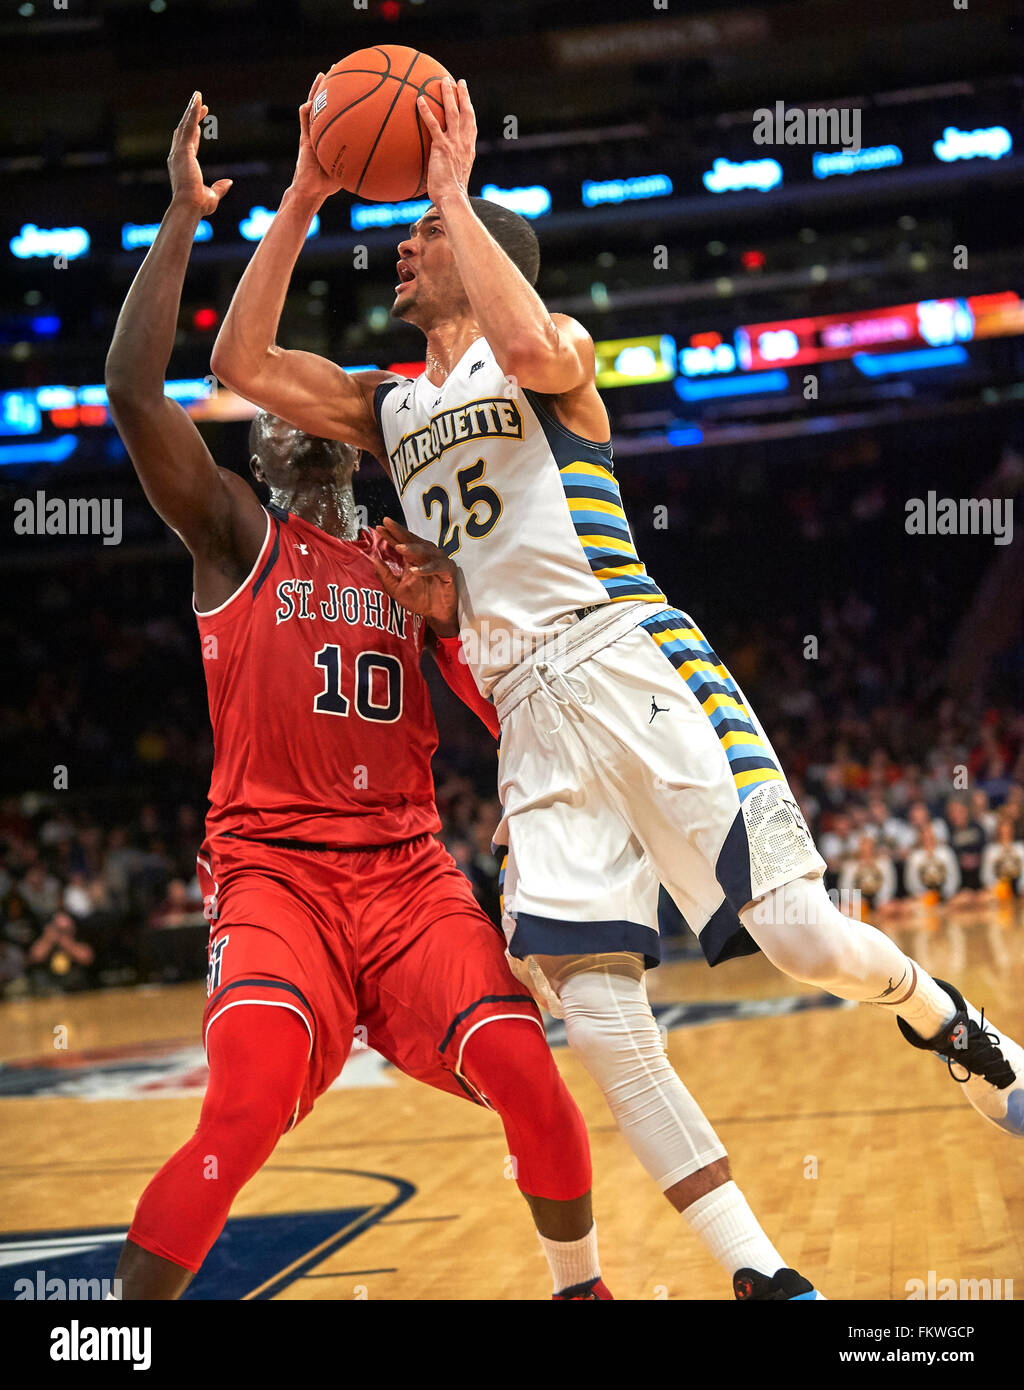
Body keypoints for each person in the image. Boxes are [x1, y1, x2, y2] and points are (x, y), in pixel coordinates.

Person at [211, 74, 1023, 1297]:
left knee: (799, 937)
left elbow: (531, 340)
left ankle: (945, 1017)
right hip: (528, 718)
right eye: (409, 230)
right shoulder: (389, 405)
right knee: (596, 1013)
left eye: (421, 235)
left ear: (482, 255)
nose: (401, 247)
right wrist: (300, 194)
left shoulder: (556, 358)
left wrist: (452, 189)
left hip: (626, 655)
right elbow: (237, 361)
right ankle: (763, 1275)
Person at [102, 92, 610, 1302]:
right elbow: (134, 389)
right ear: (269, 445)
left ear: (366, 444)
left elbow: (503, 705)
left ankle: (583, 1292)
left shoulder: (415, 556)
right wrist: (182, 215)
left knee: (530, 1077)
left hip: (409, 875)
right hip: (276, 872)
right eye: (282, 418)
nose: (302, 431)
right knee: (238, 1116)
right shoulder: (236, 535)